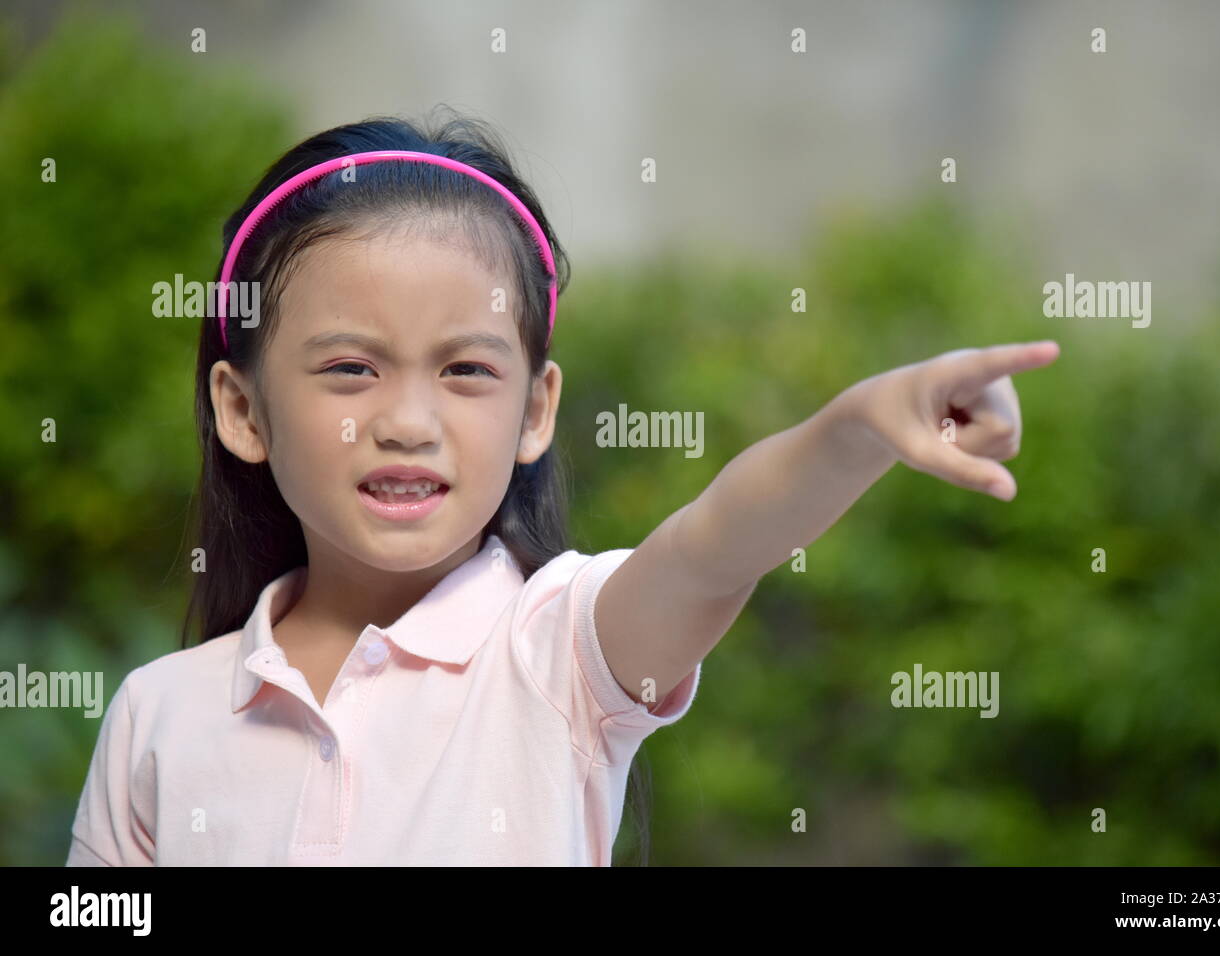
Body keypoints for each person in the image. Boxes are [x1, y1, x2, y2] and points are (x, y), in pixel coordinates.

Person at [65, 108, 1060, 866]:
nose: (410, 419)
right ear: (243, 410)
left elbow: (715, 545)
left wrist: (856, 428)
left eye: (465, 370)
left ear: (536, 410)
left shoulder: (563, 653)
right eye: (351, 369)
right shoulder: (159, 716)